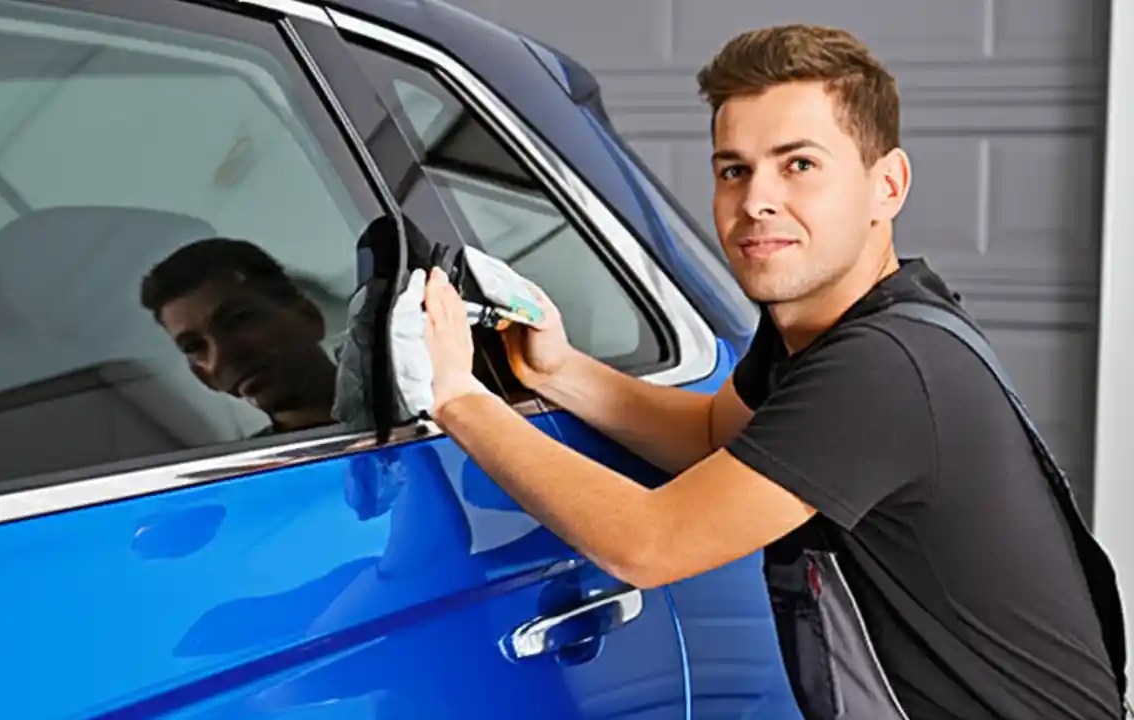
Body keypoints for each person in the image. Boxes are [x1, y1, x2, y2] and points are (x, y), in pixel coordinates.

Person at [419, 23, 1125, 720]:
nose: (756, 200)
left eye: (799, 166)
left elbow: (648, 544)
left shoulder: (884, 368)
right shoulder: (832, 329)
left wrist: (456, 397)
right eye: (734, 170)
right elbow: (710, 433)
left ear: (888, 185)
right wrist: (560, 371)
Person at [140, 237, 337, 435]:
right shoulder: (255, 455)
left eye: (238, 319)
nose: (221, 356)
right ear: (203, 376)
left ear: (308, 316)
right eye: (194, 346)